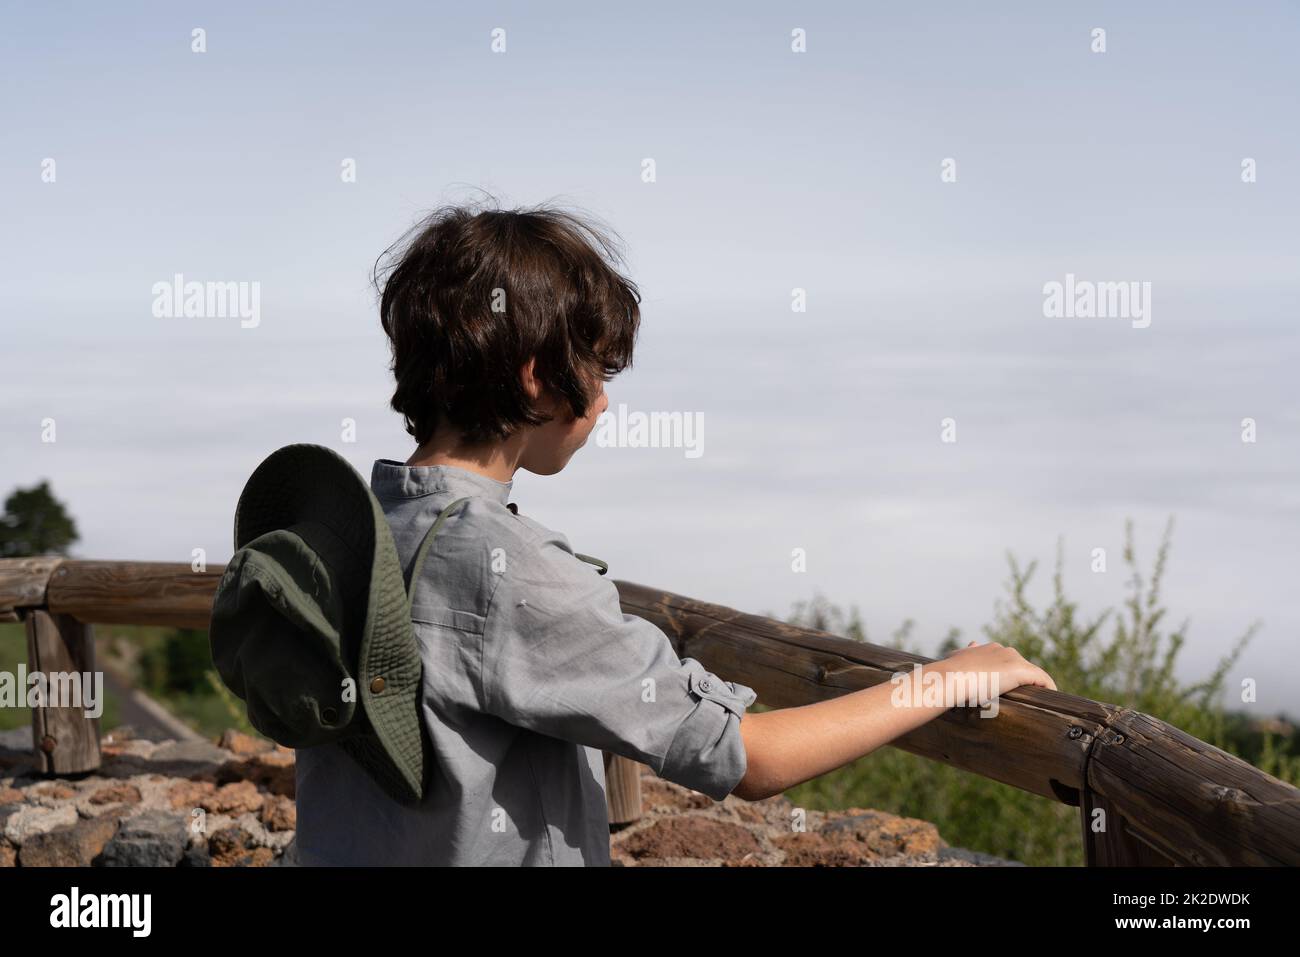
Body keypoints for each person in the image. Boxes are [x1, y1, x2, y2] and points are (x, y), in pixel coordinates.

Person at [291, 197, 1057, 866]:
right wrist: (945, 679)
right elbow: (749, 757)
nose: (603, 400)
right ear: (536, 377)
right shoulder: (511, 571)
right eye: (596, 369)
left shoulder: (347, 525)